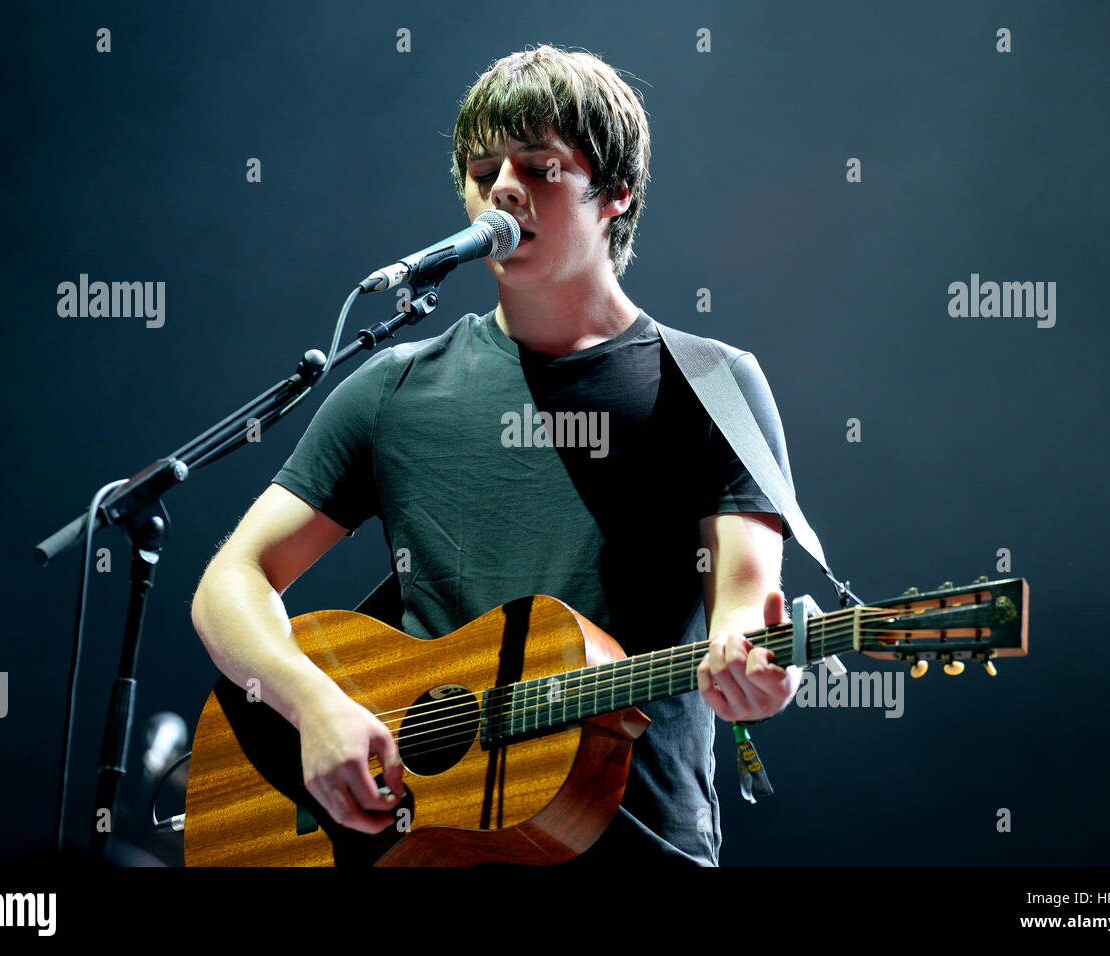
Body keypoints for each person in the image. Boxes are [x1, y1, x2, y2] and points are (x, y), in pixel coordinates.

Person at [190, 44, 802, 866]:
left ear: (616, 192)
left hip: (637, 840)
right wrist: (315, 707)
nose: (503, 187)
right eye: (483, 170)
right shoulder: (396, 386)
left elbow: (743, 607)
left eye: (540, 166)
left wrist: (754, 669)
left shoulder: (716, 385)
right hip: (420, 844)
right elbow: (231, 583)